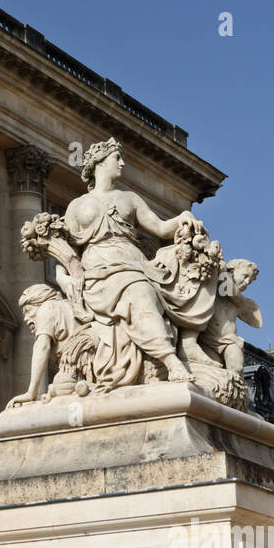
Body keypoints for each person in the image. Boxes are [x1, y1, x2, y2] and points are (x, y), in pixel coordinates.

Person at [62, 138, 195, 385]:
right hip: (97, 270)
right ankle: (171, 361)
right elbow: (64, 246)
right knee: (141, 291)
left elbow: (160, 228)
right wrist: (62, 276)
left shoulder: (130, 199)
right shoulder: (77, 205)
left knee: (142, 290)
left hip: (132, 263)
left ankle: (172, 358)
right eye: (117, 158)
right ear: (100, 163)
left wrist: (183, 217)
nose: (122, 164)